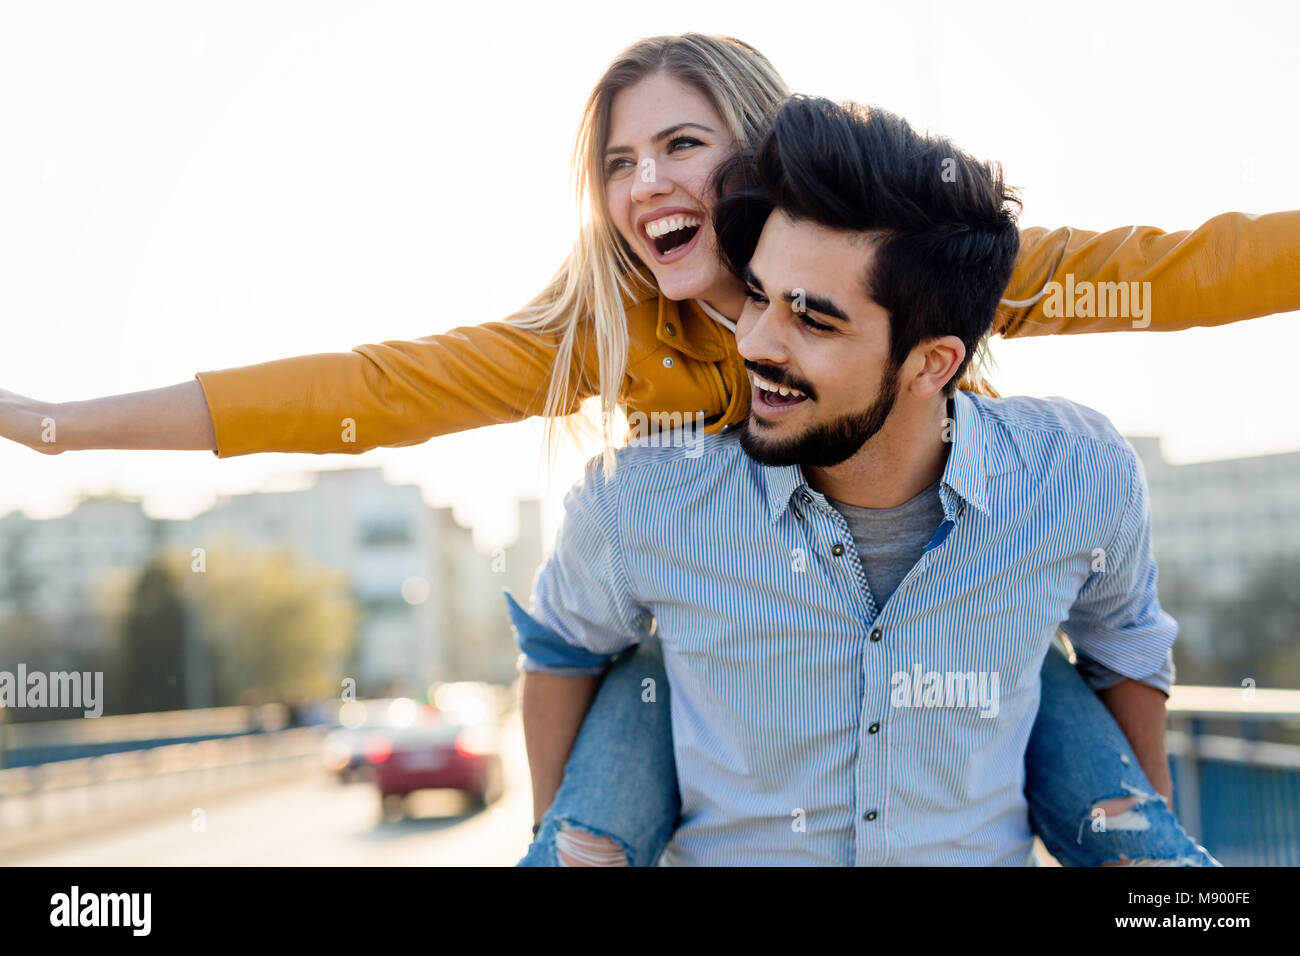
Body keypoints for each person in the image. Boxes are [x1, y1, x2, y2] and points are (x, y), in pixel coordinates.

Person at [0, 34, 1291, 863]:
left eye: (682, 144)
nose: (644, 185)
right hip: (718, 652)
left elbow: (1174, 272)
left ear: (763, 154)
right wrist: (61, 429)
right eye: (617, 162)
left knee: (1119, 803)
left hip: (948, 619)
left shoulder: (894, 255)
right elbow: (369, 391)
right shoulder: (608, 337)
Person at [515, 95, 1216, 865]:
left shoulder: (1075, 477)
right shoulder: (638, 503)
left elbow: (1125, 647)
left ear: (932, 363)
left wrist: (1147, 854)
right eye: (756, 294)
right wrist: (556, 830)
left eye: (813, 320)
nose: (754, 341)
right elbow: (560, 648)